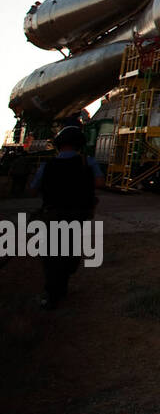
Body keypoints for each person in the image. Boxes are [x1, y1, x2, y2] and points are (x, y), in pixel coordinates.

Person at [28, 126, 104, 309]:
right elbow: (99, 183)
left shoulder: (47, 165)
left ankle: (52, 294)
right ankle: (61, 285)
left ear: (58, 145)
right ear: (80, 145)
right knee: (70, 251)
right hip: (77, 216)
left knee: (52, 255)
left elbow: (32, 190)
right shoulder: (88, 162)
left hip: (53, 215)